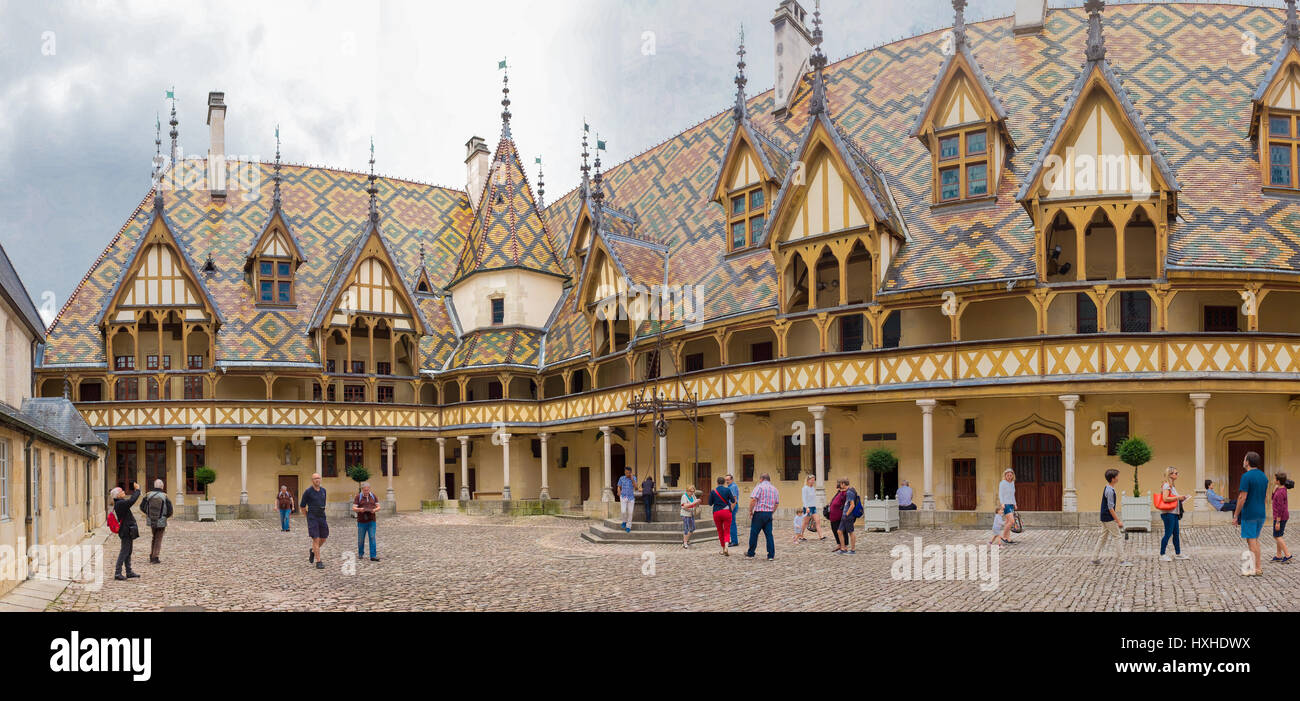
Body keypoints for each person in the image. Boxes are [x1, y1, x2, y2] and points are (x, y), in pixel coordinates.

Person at [1233, 451, 1269, 576]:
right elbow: (1265, 497)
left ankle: (1256, 568)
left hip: (1250, 513)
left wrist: (1236, 515)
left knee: (1252, 541)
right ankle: (1257, 567)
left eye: (1244, 459)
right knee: (1254, 540)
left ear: (1247, 462)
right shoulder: (1263, 476)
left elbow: (1242, 497)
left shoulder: (1246, 476)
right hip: (1260, 512)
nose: (1243, 461)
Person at [1092, 468, 1132, 566]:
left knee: (1103, 537)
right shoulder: (1110, 491)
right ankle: (1122, 560)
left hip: (1104, 516)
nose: (1118, 478)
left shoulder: (1108, 488)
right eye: (1117, 476)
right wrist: (1118, 521)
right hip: (1108, 517)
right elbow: (1110, 507)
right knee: (1117, 536)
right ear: (1113, 478)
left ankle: (1094, 558)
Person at [1158, 466, 1190, 562]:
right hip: (1168, 513)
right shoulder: (1166, 485)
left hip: (1174, 513)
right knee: (1168, 534)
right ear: (1170, 475)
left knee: (1176, 534)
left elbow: (1173, 499)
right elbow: (1165, 498)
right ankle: (1162, 554)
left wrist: (1182, 498)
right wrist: (1178, 497)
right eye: (1175, 473)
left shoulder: (1172, 486)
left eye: (1177, 473)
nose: (1177, 475)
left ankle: (1178, 553)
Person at [746, 473, 779, 560]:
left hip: (759, 513)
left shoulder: (759, 487)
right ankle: (771, 555)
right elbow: (776, 503)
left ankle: (751, 553)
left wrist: (750, 511)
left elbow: (754, 499)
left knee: (754, 533)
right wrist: (772, 512)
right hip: (768, 514)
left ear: (761, 479)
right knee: (769, 535)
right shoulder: (774, 489)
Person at [139, 479, 173, 564]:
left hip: (151, 519)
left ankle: (152, 554)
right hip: (161, 520)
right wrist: (164, 517)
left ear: (154, 486)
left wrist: (148, 514)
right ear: (162, 486)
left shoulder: (148, 495)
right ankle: (155, 557)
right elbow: (170, 510)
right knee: (158, 538)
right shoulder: (165, 496)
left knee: (154, 537)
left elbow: (142, 507)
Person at [111, 483, 141, 581]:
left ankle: (129, 571)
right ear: (117, 495)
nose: (123, 492)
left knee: (128, 551)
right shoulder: (120, 504)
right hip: (125, 530)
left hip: (128, 529)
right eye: (121, 491)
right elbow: (132, 501)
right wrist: (137, 490)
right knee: (124, 551)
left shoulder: (120, 502)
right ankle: (117, 572)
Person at [300, 473, 329, 570]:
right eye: (315, 478)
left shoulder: (323, 491)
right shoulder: (308, 492)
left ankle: (312, 551)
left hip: (322, 516)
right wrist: (307, 516)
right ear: (312, 480)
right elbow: (302, 506)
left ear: (320, 479)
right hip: (312, 517)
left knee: (324, 537)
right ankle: (319, 561)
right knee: (316, 538)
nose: (317, 480)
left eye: (318, 478)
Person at [353, 482, 380, 562]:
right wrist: (360, 509)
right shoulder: (358, 497)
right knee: (361, 539)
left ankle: (373, 556)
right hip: (361, 521)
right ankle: (361, 553)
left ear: (369, 489)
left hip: (372, 520)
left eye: (367, 490)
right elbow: (354, 508)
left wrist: (374, 510)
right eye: (365, 490)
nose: (366, 492)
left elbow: (379, 507)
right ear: (362, 490)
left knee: (372, 537)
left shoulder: (373, 496)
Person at [708, 476, 735, 556]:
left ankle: (723, 549)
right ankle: (727, 546)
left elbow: (710, 503)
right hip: (726, 512)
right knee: (727, 530)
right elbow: (733, 500)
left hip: (717, 512)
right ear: (724, 483)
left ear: (717, 482)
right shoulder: (727, 490)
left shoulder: (713, 491)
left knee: (720, 531)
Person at [797, 475, 826, 542]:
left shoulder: (813, 488)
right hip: (807, 508)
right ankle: (800, 536)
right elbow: (804, 499)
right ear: (808, 480)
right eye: (812, 480)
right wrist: (806, 507)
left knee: (817, 521)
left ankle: (821, 536)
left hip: (813, 507)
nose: (813, 481)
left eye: (814, 480)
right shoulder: (804, 488)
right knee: (805, 523)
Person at [835, 478, 860, 554]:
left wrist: (846, 514)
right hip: (845, 515)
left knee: (851, 532)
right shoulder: (849, 490)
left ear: (843, 484)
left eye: (841, 484)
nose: (840, 485)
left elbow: (852, 505)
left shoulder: (849, 492)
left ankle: (852, 550)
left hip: (848, 516)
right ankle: (843, 548)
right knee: (839, 531)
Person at [1272, 472, 1292, 564]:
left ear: (1278, 481)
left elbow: (1280, 508)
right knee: (1278, 535)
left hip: (1280, 517)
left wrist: (1278, 521)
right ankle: (1279, 555)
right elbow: (1273, 499)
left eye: (1275, 479)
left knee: (1277, 536)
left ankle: (1287, 555)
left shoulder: (1280, 492)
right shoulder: (1281, 489)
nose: (1273, 480)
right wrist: (1274, 490)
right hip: (1280, 516)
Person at [998, 469, 1017, 545]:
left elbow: (1013, 495)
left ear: (1012, 476)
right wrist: (1002, 503)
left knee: (1007, 522)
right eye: (1007, 475)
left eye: (1010, 475)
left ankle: (1008, 538)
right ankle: (1004, 537)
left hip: (1011, 504)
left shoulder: (1012, 483)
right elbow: (1000, 494)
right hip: (1006, 504)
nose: (1009, 477)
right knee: (1012, 521)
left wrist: (1015, 504)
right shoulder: (1002, 483)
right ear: (1005, 475)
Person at [827, 480, 848, 552]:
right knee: (835, 530)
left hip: (839, 516)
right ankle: (839, 544)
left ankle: (844, 546)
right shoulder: (838, 493)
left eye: (839, 485)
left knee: (841, 531)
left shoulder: (844, 493)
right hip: (833, 516)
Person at [680, 485, 701, 549]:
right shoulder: (684, 496)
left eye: (693, 491)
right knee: (686, 529)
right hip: (685, 514)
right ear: (687, 491)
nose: (692, 493)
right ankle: (685, 543)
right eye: (691, 491)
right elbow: (684, 506)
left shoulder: (693, 495)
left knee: (692, 528)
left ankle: (686, 539)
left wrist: (697, 502)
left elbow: (695, 503)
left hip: (691, 514)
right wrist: (693, 503)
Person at [617, 467, 636, 533]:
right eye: (625, 472)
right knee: (623, 511)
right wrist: (619, 491)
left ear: (630, 472)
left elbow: (635, 487)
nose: (626, 474)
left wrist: (632, 479)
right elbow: (619, 486)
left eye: (628, 473)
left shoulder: (634, 478)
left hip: (631, 498)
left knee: (630, 513)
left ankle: (628, 526)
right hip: (623, 496)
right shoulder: (621, 478)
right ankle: (624, 521)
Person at [725, 474, 740, 547]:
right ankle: (733, 540)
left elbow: (734, 499)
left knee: (732, 524)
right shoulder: (730, 486)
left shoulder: (733, 487)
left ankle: (734, 541)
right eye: (726, 480)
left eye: (728, 480)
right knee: (731, 523)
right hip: (731, 506)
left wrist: (731, 509)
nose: (727, 481)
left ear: (732, 480)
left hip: (732, 506)